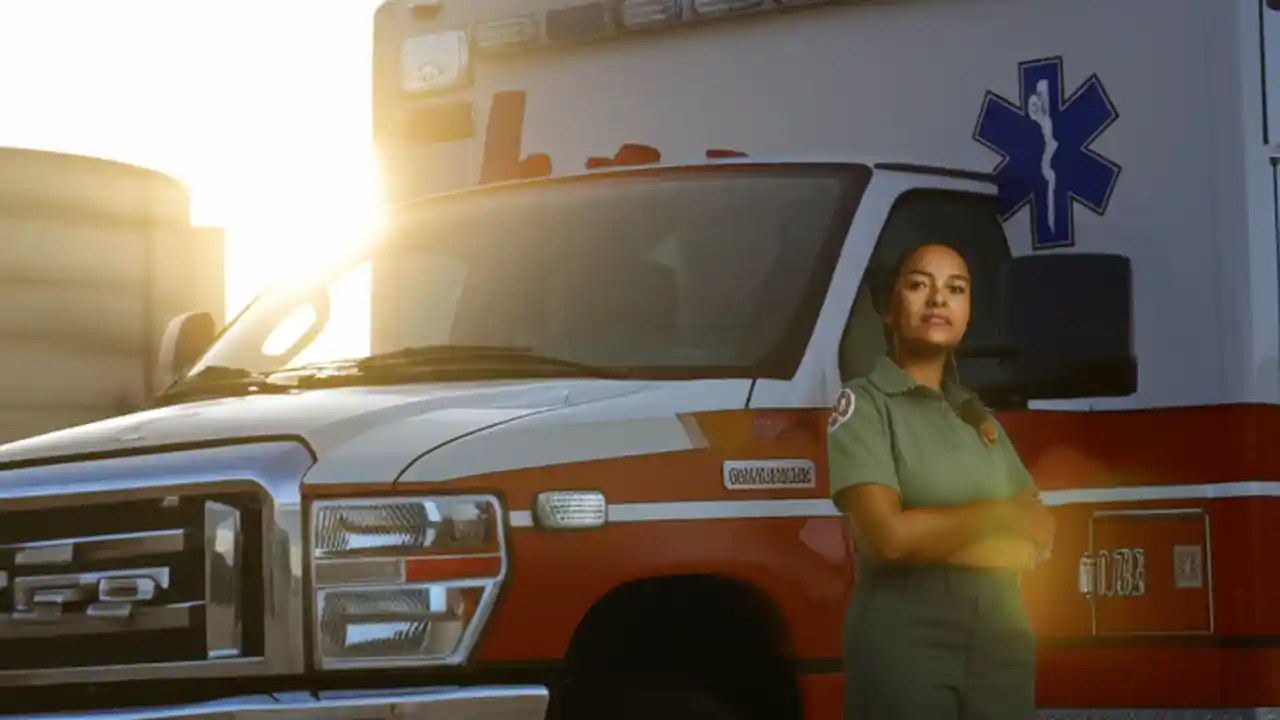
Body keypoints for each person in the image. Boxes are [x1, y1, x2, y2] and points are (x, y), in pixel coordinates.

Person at [828, 242, 1055, 719]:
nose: (938, 300)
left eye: (956, 289)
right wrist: (996, 516)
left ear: (968, 313)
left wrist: (930, 532)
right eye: (918, 285)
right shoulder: (864, 406)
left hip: (1002, 643)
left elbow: (1037, 533)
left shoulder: (977, 417)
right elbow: (888, 539)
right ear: (889, 309)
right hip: (904, 643)